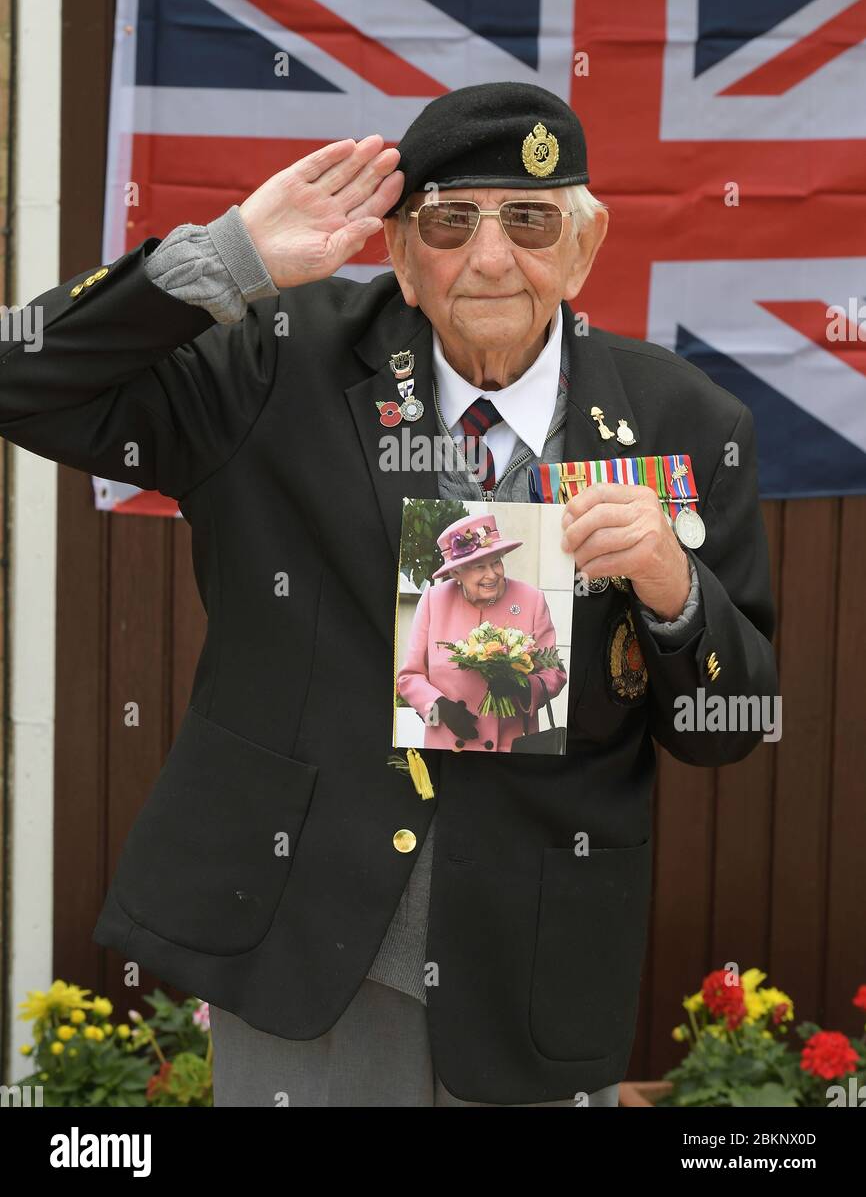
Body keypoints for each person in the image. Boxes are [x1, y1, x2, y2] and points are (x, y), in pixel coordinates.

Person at [0, 81, 777, 1107]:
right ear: (402, 256)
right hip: (301, 941)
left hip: (529, 965)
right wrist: (225, 258)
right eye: (449, 223)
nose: (490, 258)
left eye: (530, 221)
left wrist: (674, 590)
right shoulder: (282, 360)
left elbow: (731, 723)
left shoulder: (686, 419)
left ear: (585, 248)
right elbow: (22, 376)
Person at [397, 514, 567, 752]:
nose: (493, 574)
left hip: (512, 748)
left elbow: (555, 673)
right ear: (456, 573)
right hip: (448, 747)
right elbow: (409, 678)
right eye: (479, 566)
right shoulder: (433, 601)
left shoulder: (532, 600)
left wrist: (525, 688)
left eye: (496, 562)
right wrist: (441, 708)